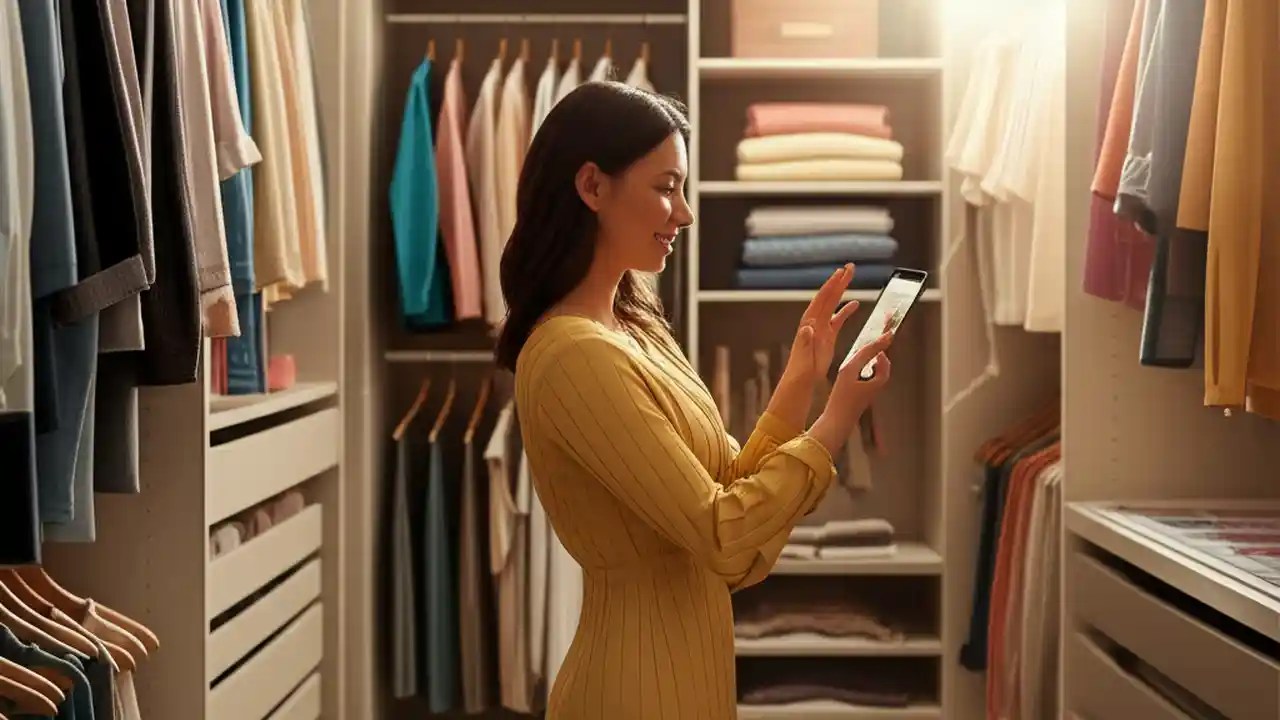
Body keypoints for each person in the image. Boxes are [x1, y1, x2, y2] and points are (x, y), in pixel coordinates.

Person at [494, 82, 896, 719]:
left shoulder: (635, 326)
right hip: (631, 691)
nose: (684, 213)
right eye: (665, 186)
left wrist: (800, 378)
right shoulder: (574, 354)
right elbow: (724, 536)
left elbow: (727, 492)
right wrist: (837, 418)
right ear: (592, 187)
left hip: (689, 678)